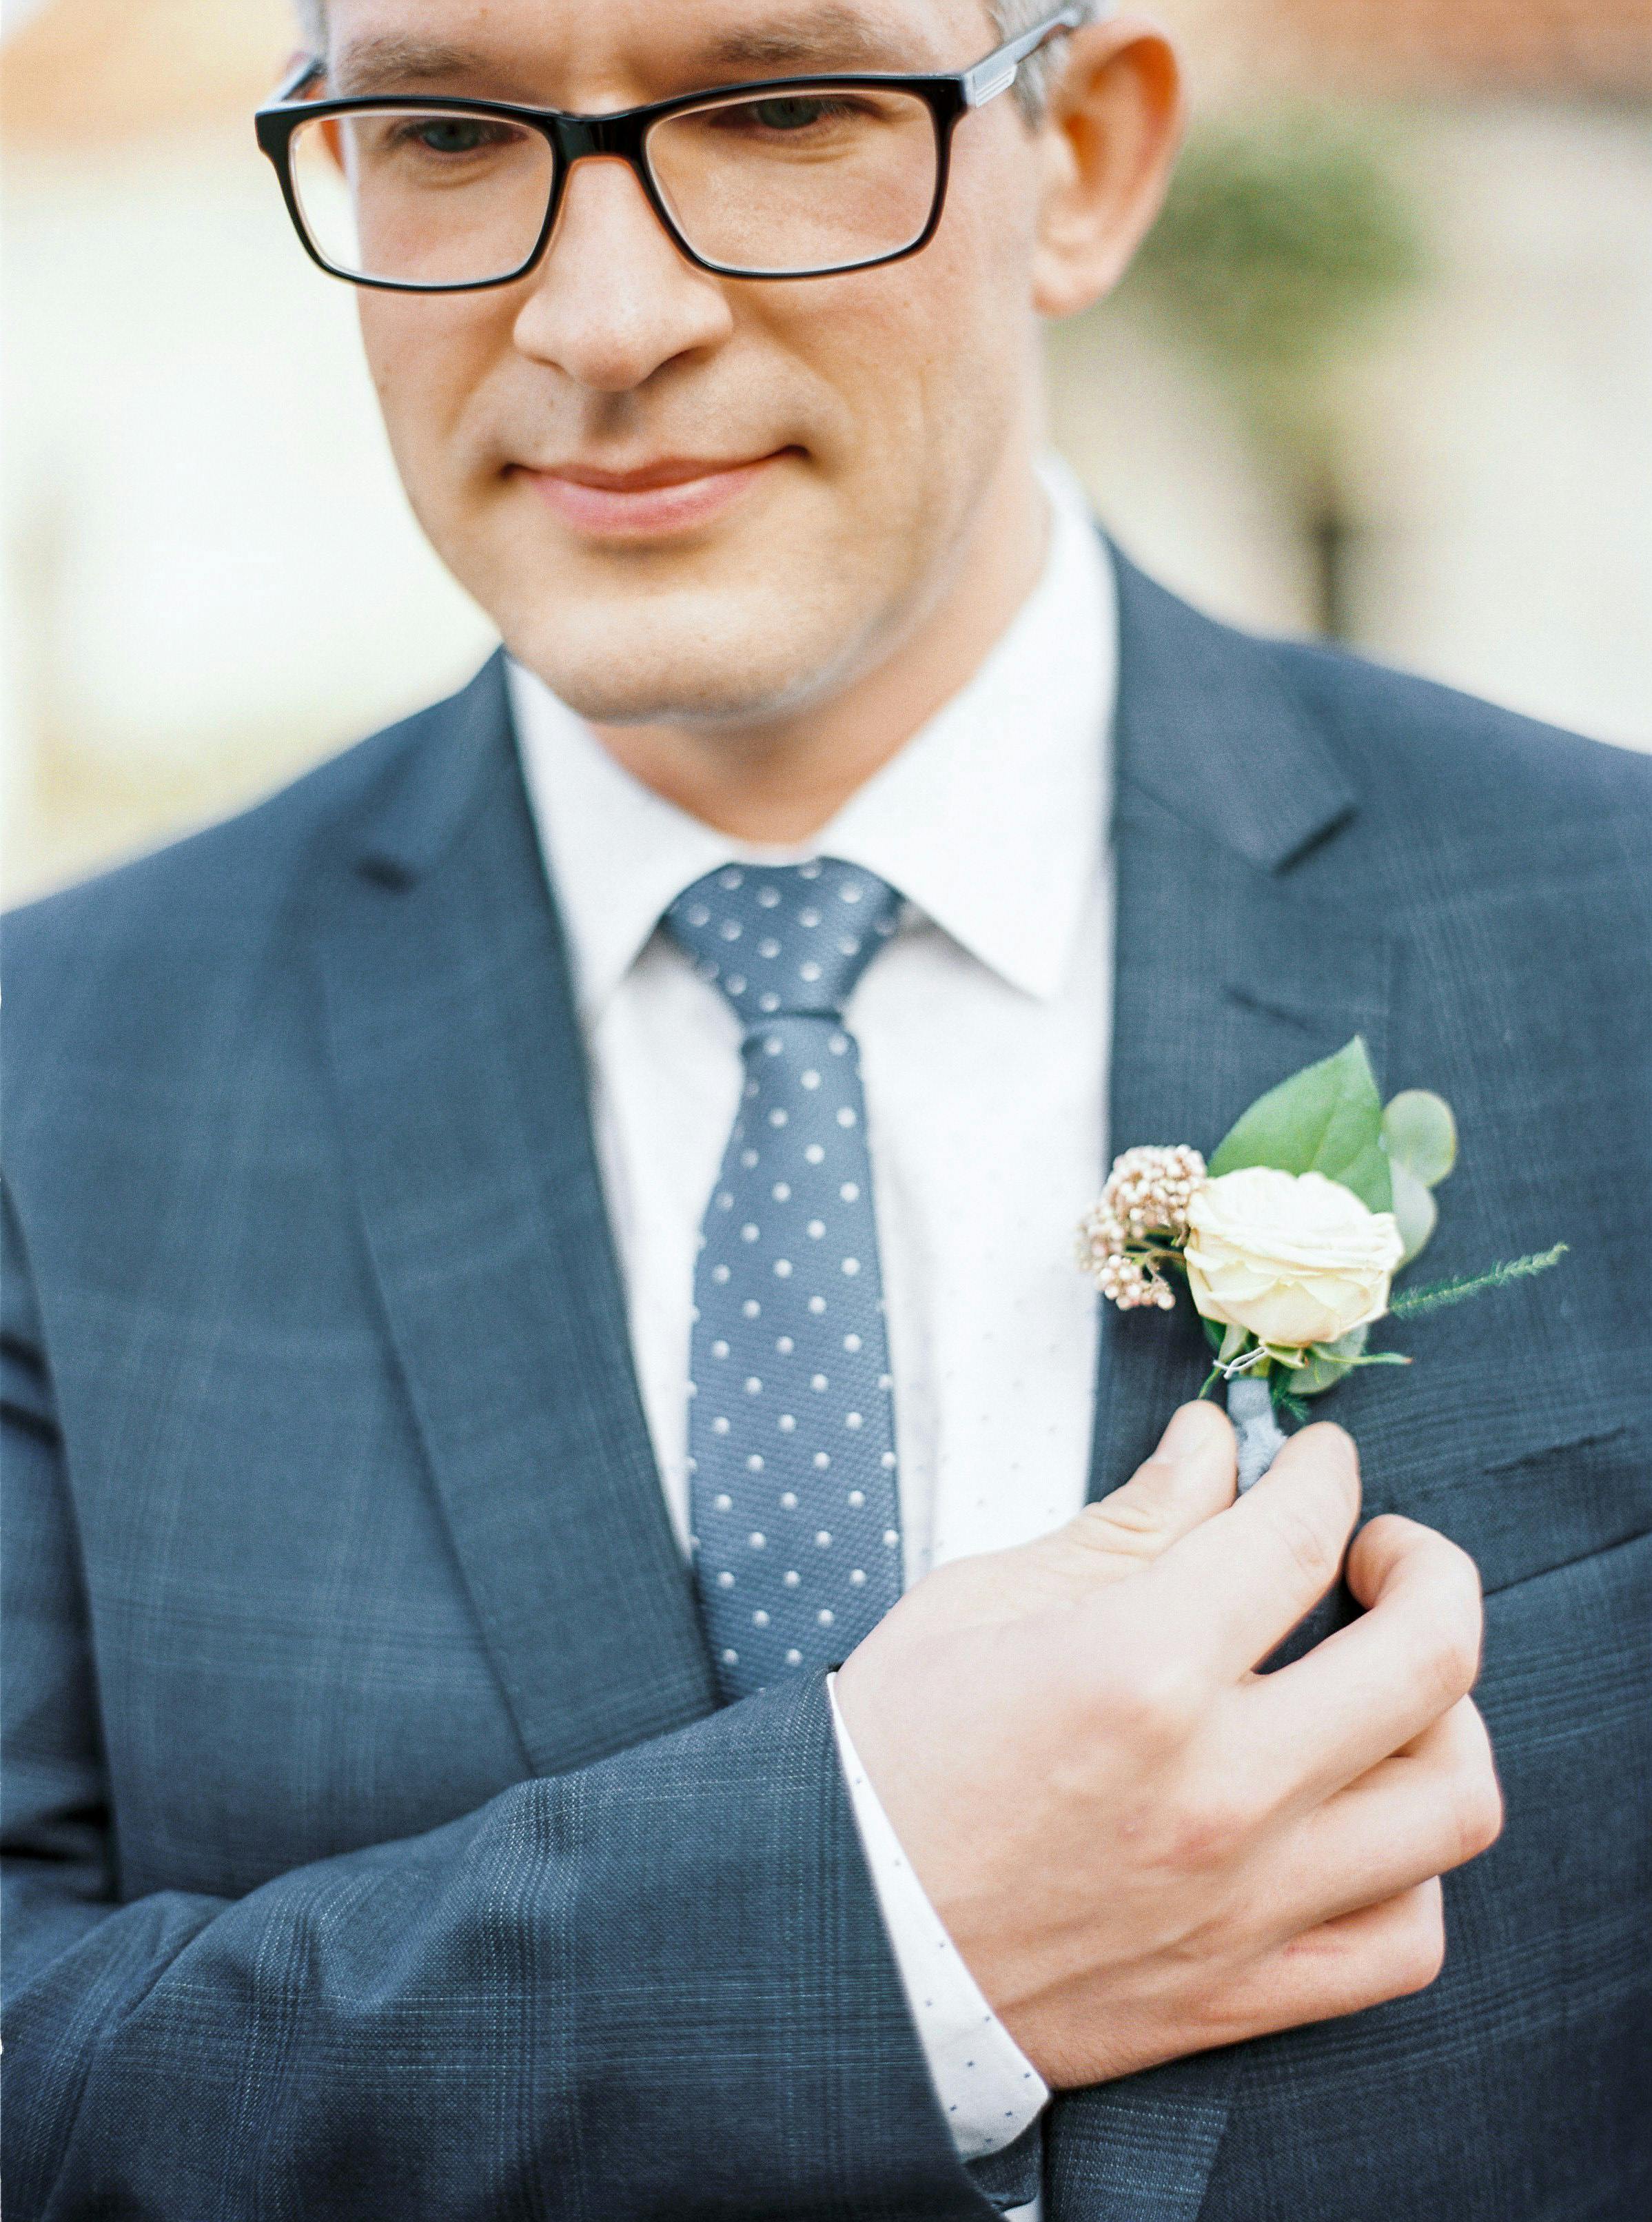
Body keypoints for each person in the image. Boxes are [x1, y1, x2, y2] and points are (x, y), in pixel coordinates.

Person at [3, 3, 1647, 2216]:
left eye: (783, 109)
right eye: (446, 131)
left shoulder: (1613, 943)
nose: (599, 319)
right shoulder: (57, 1075)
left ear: (1083, 158)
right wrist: (875, 1919)